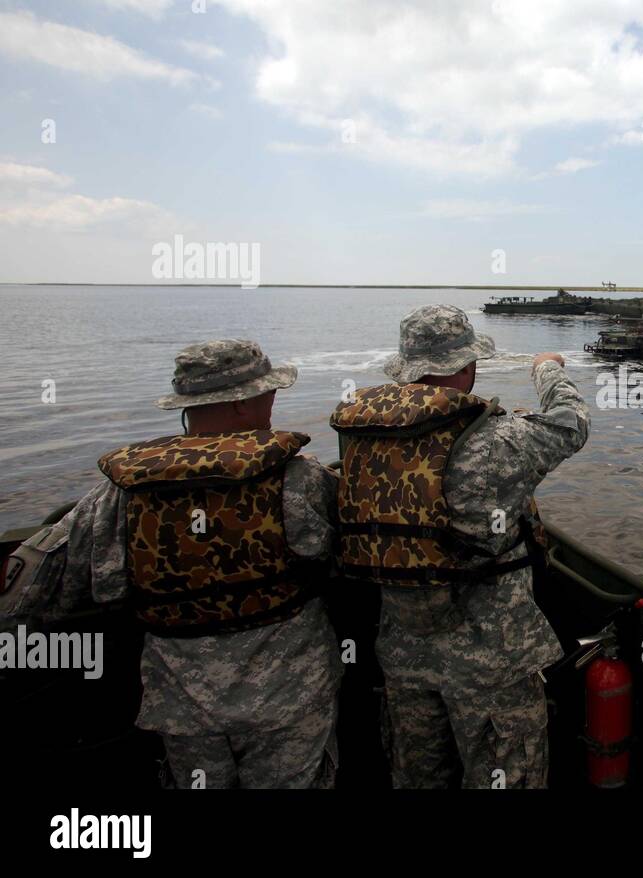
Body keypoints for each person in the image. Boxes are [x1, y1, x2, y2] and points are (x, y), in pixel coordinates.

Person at [46, 339, 342, 788]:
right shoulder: (298, 479)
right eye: (269, 390)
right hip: (288, 698)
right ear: (244, 403)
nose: (273, 400)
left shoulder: (120, 493)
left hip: (181, 704)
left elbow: (37, 587)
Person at [331, 305, 589, 789]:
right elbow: (570, 423)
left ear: (407, 370)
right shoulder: (495, 441)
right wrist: (548, 368)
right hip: (492, 663)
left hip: (404, 658)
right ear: (468, 368)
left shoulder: (361, 444)